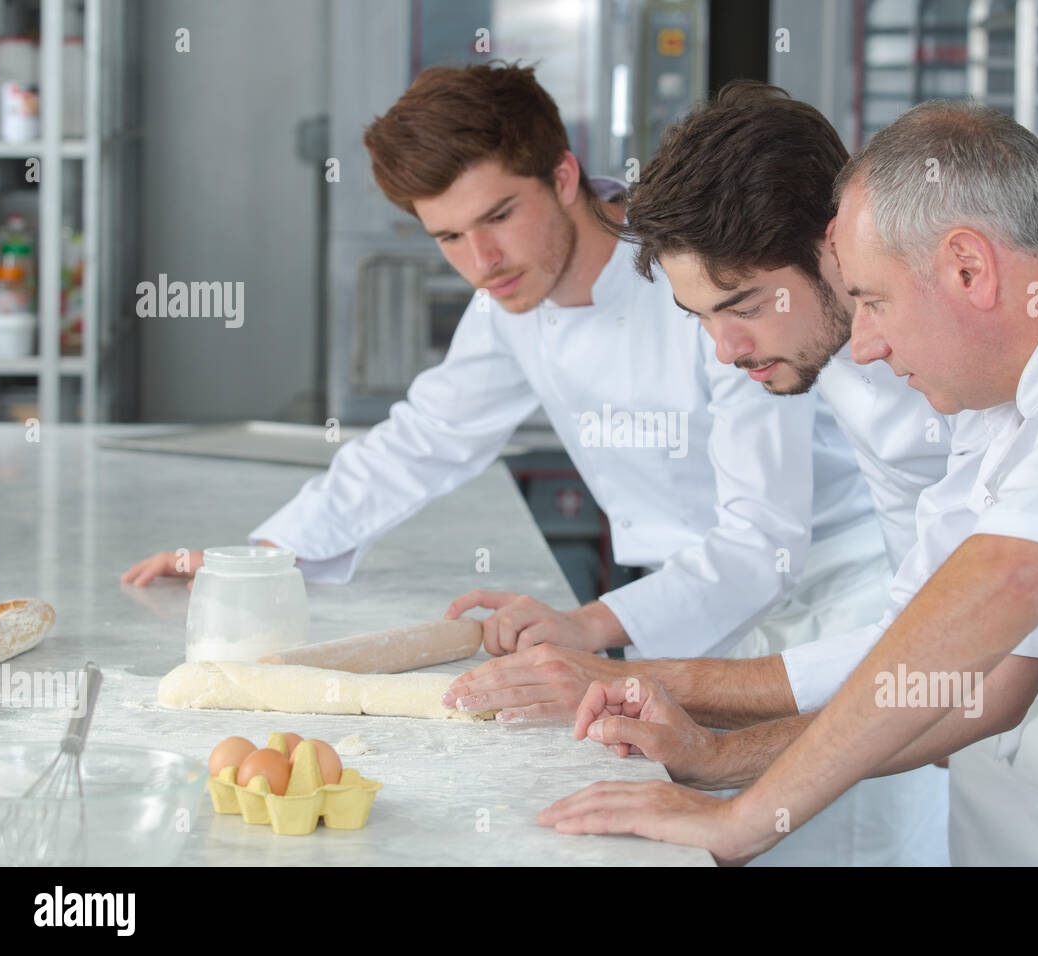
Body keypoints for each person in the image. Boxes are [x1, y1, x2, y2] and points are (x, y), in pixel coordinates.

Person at [119, 63, 947, 865]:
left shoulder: (704, 279)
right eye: (448, 236)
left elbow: (759, 544)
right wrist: (258, 561)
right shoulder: (514, 300)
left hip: (842, 604)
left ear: (562, 176)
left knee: (844, 843)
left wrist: (588, 627)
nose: (482, 259)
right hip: (703, 619)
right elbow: (423, 439)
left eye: (499, 215)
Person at [537, 99, 1038, 867]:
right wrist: (709, 759)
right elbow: (972, 676)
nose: (865, 344)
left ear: (968, 266)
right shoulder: (1004, 405)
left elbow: (1010, 577)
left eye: (872, 299)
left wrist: (744, 819)